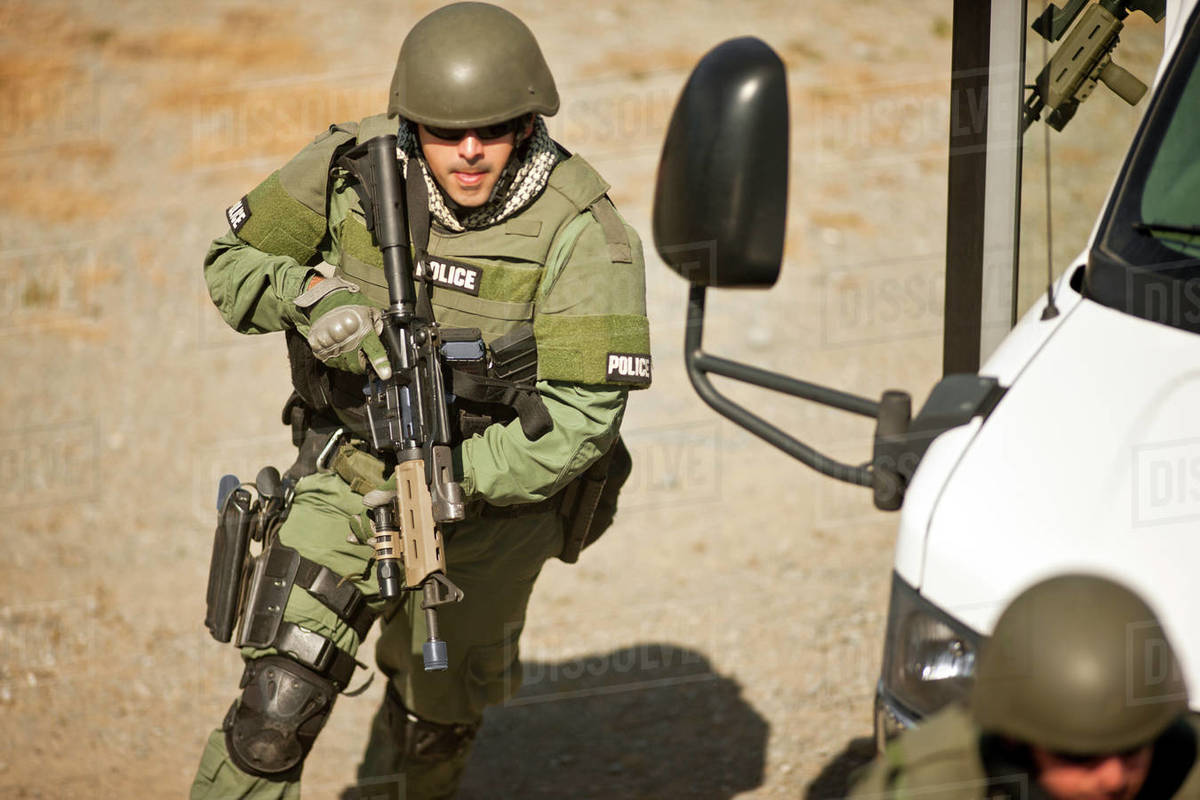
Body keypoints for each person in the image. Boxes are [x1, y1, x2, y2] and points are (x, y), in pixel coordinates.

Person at [190, 3, 651, 798]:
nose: (469, 152)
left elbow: (582, 418)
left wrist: (451, 482)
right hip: (352, 470)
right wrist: (303, 294)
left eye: (496, 129)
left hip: (493, 512)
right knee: (275, 707)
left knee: (438, 709)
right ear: (411, 124)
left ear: (530, 122)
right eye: (444, 131)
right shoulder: (346, 169)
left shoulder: (583, 232)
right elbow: (230, 263)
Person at [850, 574, 1200, 800]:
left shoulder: (1187, 772)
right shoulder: (932, 786)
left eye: (1132, 749)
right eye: (1081, 758)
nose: (1113, 778)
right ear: (1017, 741)